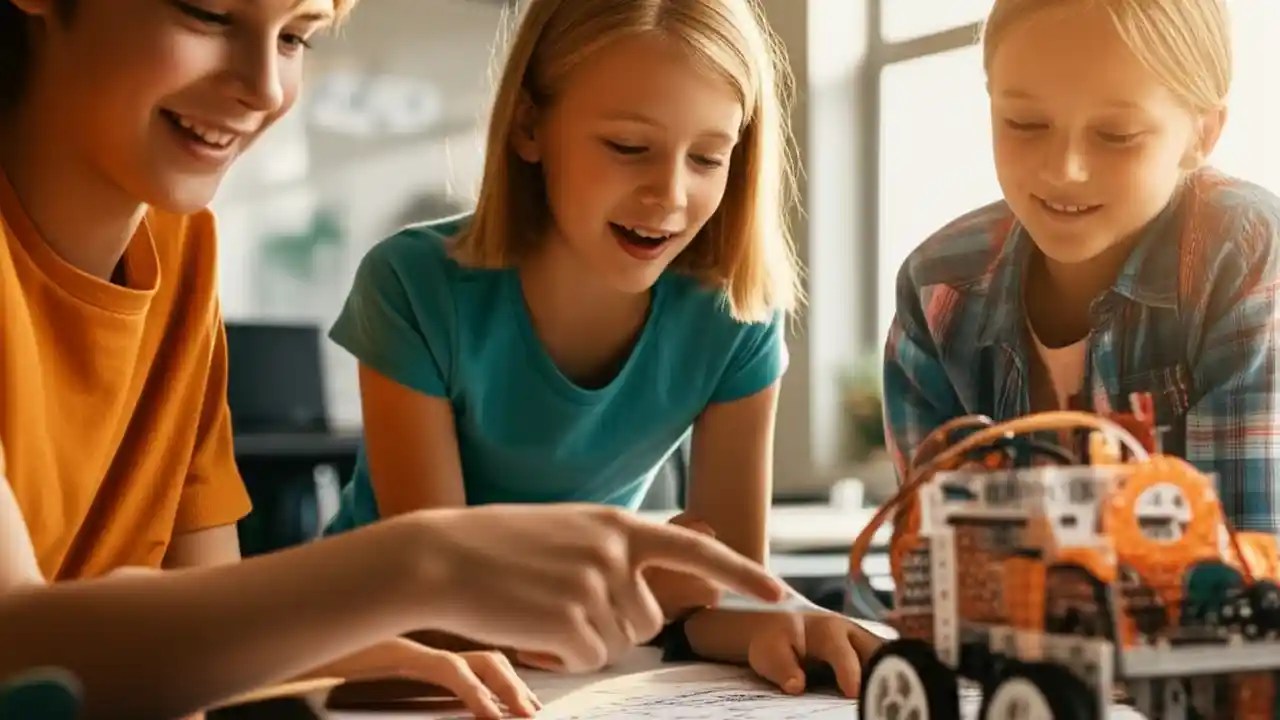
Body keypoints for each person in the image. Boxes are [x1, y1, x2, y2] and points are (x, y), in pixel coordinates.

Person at [0, 1, 788, 718]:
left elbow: (193, 623)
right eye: (208, 14)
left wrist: (347, 648)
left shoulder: (182, 251)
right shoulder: (409, 282)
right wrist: (420, 567)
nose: (266, 88)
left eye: (296, 37)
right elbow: (12, 645)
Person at [325, 0, 883, 699]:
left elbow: (728, 595)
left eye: (709, 157)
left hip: (562, 666)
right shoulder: (412, 285)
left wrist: (786, 622)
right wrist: (652, 587)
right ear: (530, 125)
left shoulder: (733, 320)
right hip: (369, 651)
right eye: (627, 147)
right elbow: (435, 595)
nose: (671, 195)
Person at [883, 0, 1280, 530]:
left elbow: (1247, 566)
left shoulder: (1243, 252)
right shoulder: (938, 289)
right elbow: (934, 557)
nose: (1064, 169)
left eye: (1116, 135)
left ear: (1201, 134)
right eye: (1025, 123)